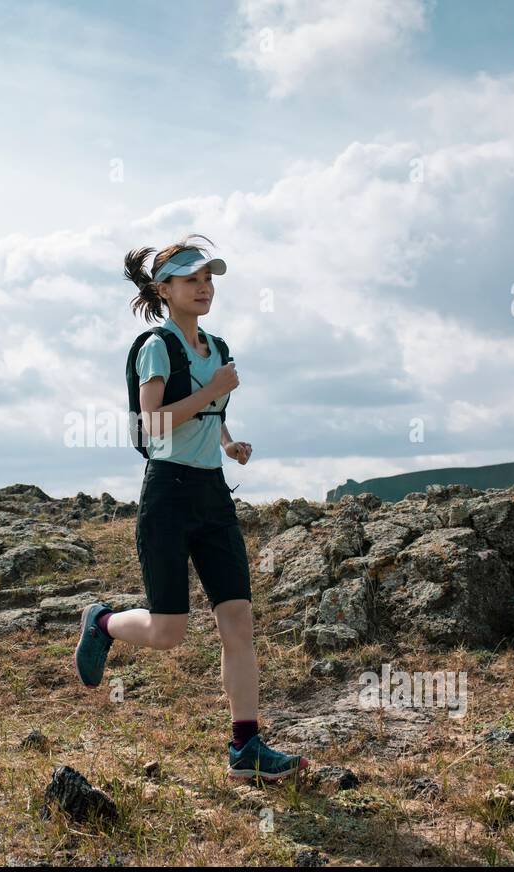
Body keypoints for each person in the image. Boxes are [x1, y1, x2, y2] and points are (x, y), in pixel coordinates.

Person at [74, 234, 309, 783]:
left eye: (209, 280)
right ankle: (103, 622)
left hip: (212, 494)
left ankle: (245, 748)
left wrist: (227, 442)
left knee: (239, 624)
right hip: (169, 496)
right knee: (168, 631)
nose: (204, 289)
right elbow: (153, 422)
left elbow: (209, 409)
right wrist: (213, 394)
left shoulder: (217, 347)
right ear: (165, 290)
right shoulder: (157, 346)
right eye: (191, 281)